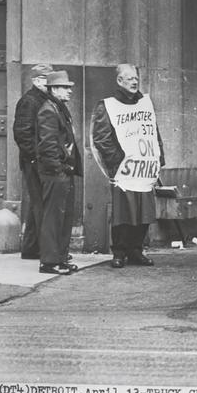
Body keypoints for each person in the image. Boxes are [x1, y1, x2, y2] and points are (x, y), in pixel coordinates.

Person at [90, 64, 164, 268]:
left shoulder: (144, 104)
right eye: (129, 78)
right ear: (119, 81)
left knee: (144, 212)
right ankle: (120, 252)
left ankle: (136, 250)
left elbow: (153, 133)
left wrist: (157, 160)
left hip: (144, 168)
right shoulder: (109, 105)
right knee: (123, 213)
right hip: (125, 169)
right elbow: (101, 138)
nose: (134, 81)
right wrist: (119, 162)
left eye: (136, 78)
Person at [36, 70, 82, 275]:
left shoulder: (57, 108)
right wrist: (59, 169)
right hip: (55, 173)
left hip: (62, 172)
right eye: (65, 87)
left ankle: (60, 259)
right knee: (54, 218)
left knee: (63, 218)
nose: (69, 91)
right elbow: (47, 146)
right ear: (54, 89)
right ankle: (49, 262)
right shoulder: (49, 110)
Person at [12, 63, 53, 259]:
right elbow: (22, 133)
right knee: (40, 205)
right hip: (35, 162)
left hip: (37, 160)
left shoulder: (42, 99)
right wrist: (35, 159)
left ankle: (31, 249)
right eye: (46, 78)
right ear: (36, 81)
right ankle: (45, 251)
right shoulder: (30, 101)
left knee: (38, 204)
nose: (50, 82)